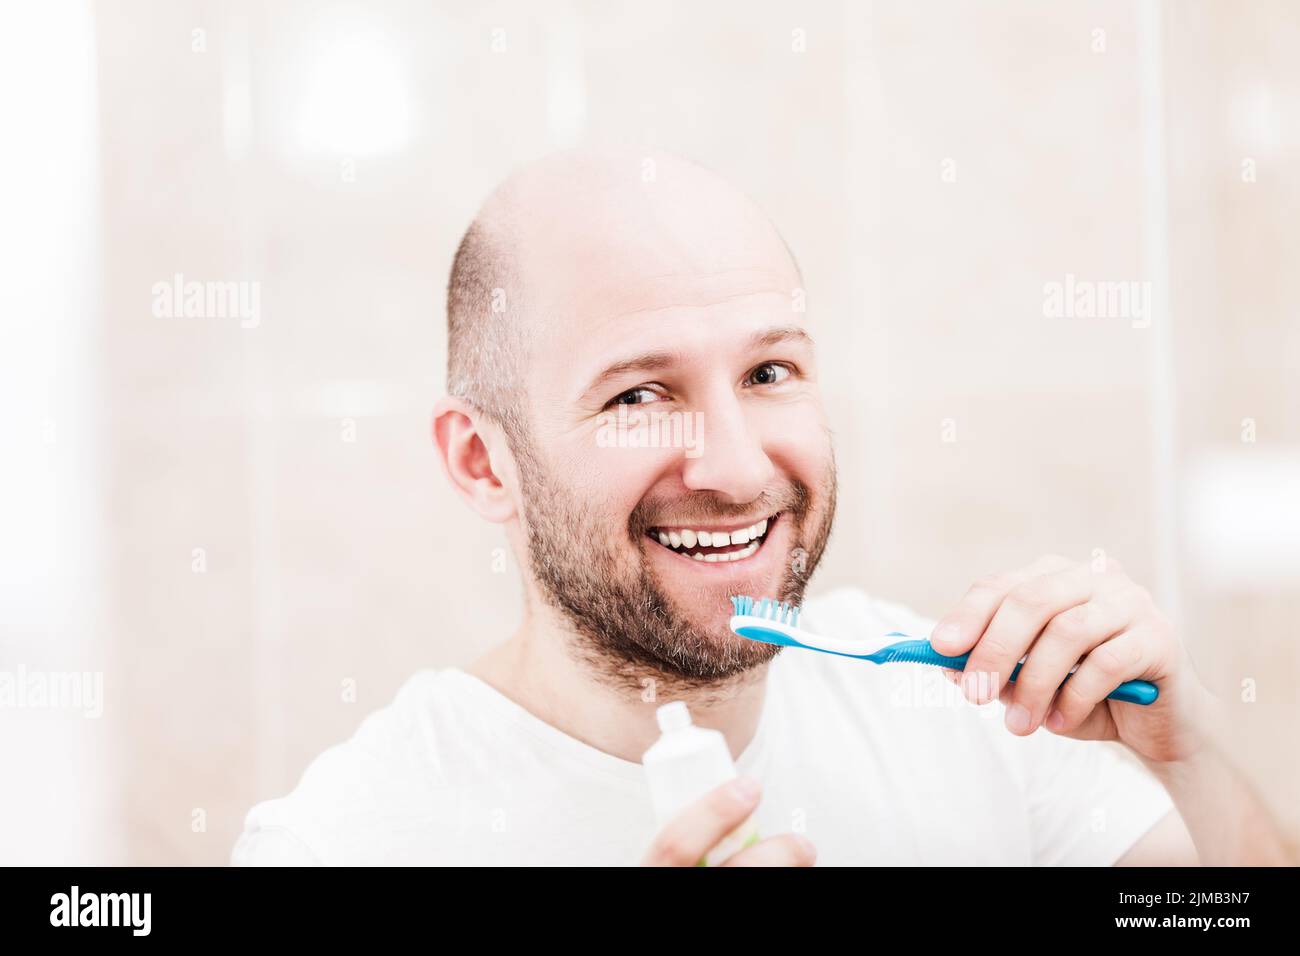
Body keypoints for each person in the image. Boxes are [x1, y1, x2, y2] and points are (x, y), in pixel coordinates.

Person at [233, 149, 1286, 866]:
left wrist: (1187, 755)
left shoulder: (964, 712)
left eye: (769, 372)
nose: (735, 468)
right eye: (638, 395)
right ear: (482, 461)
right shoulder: (346, 840)